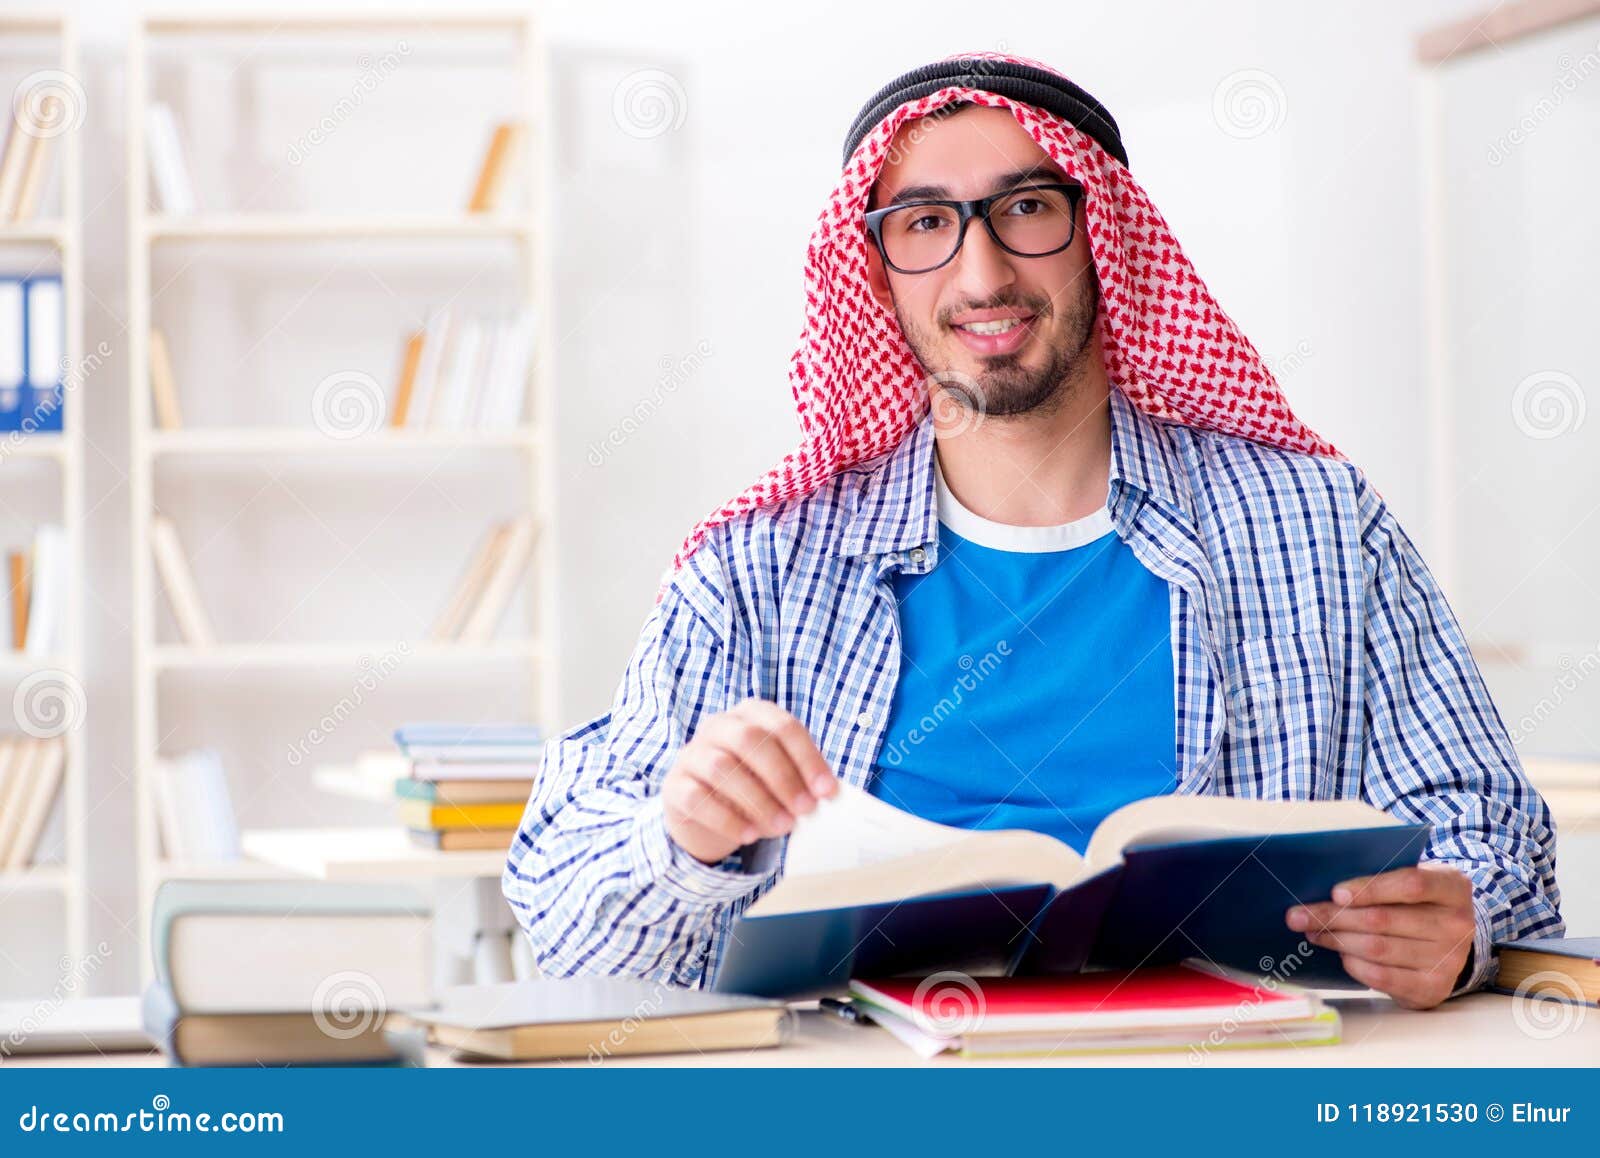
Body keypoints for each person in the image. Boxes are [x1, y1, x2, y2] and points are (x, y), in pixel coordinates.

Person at [504, 53, 1562, 1009]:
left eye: (1025, 208)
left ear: (1107, 236)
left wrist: (1456, 925)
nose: (982, 277)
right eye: (925, 224)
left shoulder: (1321, 527)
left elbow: (1495, 838)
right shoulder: (757, 573)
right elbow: (566, 939)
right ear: (874, 268)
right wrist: (684, 842)